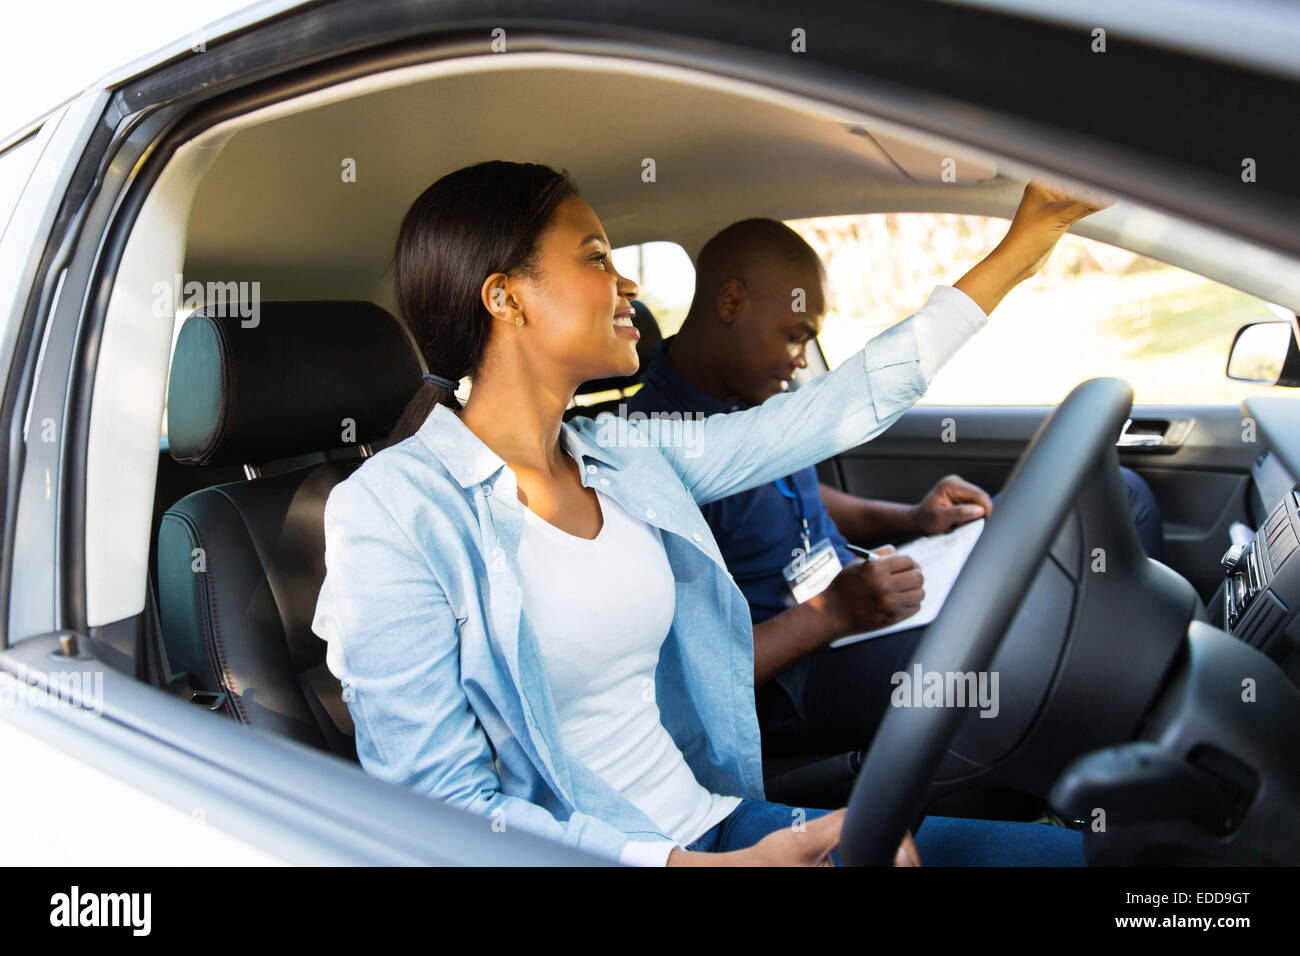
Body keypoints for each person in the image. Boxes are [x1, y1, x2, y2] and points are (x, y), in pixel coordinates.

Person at [311, 160, 1104, 866]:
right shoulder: (390, 514)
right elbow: (443, 816)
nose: (628, 286)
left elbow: (828, 412)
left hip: (723, 820)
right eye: (595, 258)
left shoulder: (624, 452)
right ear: (505, 297)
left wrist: (1020, 251)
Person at [625, 217, 1166, 760]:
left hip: (859, 597)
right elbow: (692, 675)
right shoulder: (651, 450)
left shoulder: (754, 396)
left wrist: (912, 519)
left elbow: (793, 501)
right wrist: (830, 613)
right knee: (1008, 659)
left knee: (1117, 496)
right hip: (801, 672)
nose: (801, 358)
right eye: (796, 335)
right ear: (731, 302)